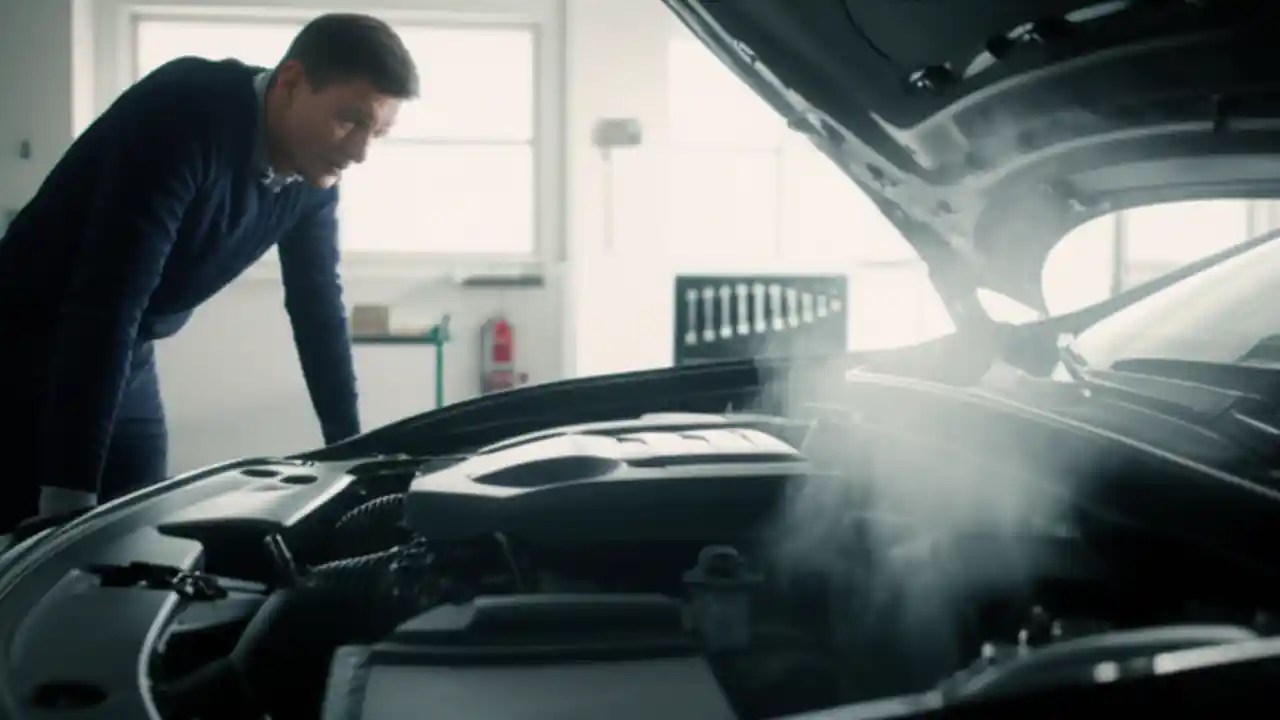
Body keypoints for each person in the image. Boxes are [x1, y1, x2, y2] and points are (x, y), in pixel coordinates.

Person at [0, 13, 419, 534]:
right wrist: (65, 497)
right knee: (37, 550)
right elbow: (108, 300)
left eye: (377, 132)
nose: (360, 152)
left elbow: (318, 307)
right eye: (349, 120)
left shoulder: (315, 172)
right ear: (290, 83)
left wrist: (352, 454)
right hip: (24, 341)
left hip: (125, 352)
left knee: (134, 536)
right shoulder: (183, 112)